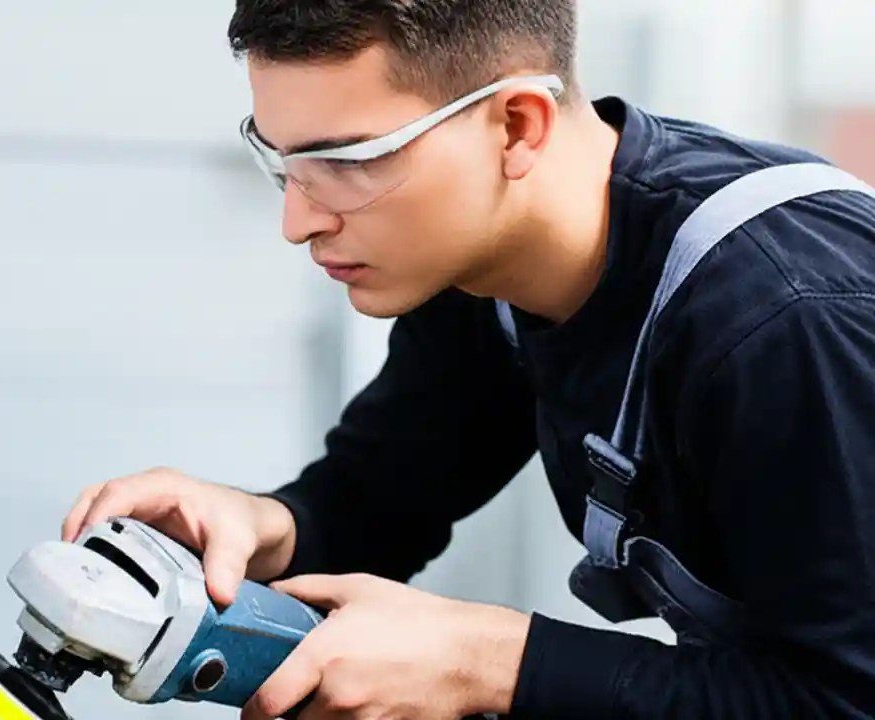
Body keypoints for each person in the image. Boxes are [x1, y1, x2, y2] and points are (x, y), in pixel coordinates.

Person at [61, 1, 875, 717]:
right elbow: (381, 500)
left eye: (345, 163)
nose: (298, 221)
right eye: (283, 162)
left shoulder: (785, 321)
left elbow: (846, 697)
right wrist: (261, 526)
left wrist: (489, 660)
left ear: (519, 125)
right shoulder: (487, 264)